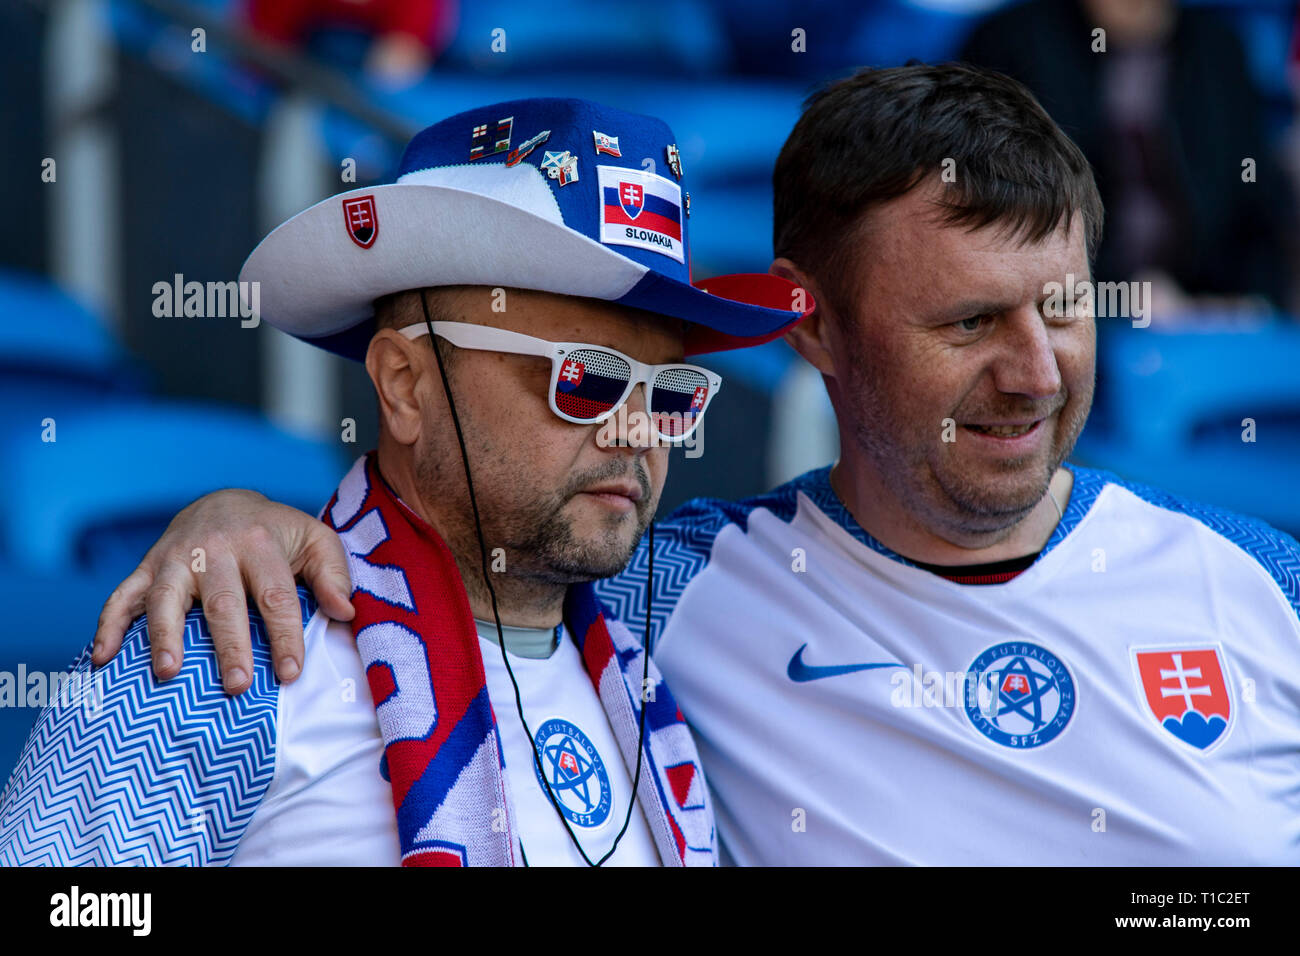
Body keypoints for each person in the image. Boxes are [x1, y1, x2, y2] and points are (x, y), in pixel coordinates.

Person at [87, 64, 1300, 864]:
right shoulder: (236, 641)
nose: (1036, 373)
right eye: (967, 322)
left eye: (668, 395)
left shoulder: (1263, 584)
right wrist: (233, 518)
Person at [0, 97, 812, 866]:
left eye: (669, 394)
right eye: (589, 378)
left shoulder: (675, 615)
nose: (636, 428)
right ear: (405, 385)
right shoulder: (229, 647)